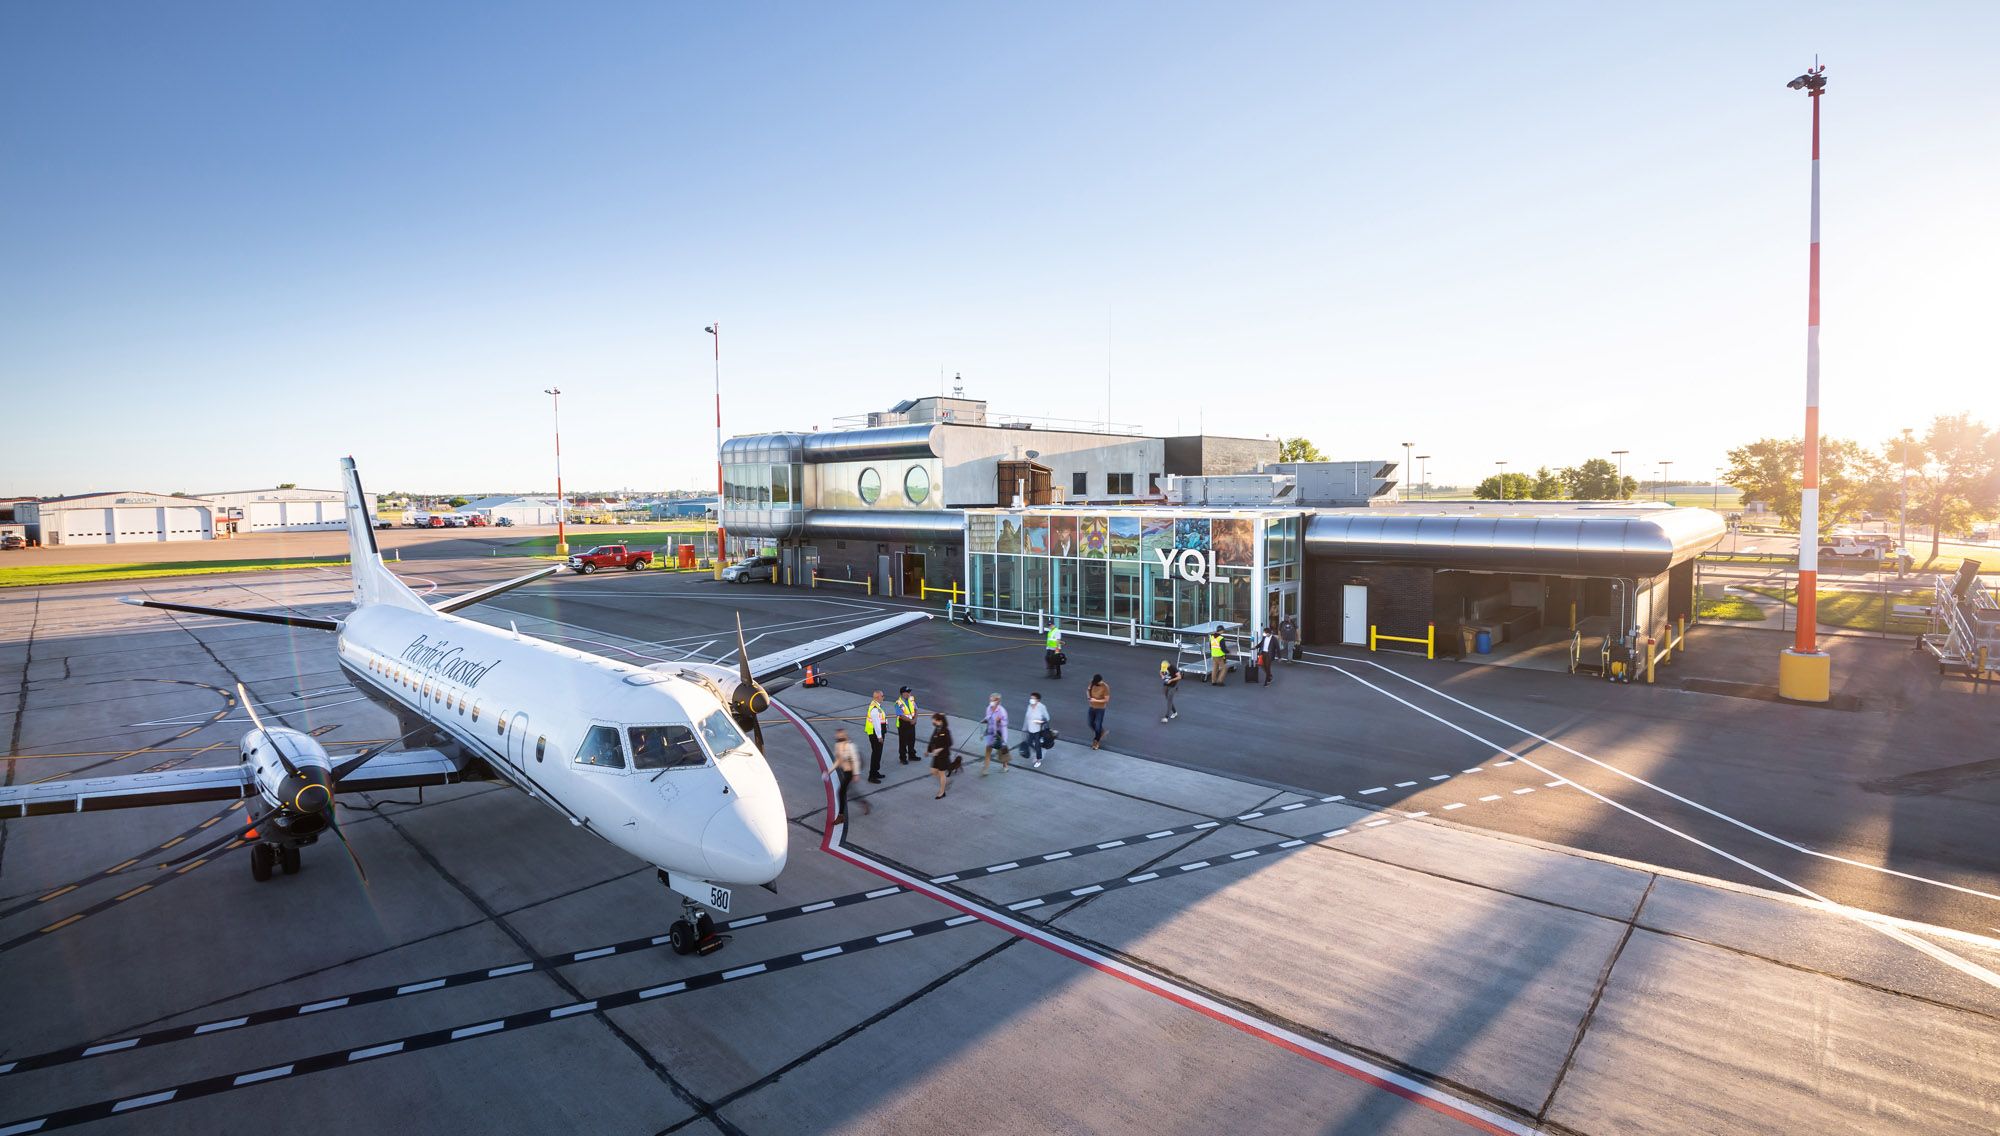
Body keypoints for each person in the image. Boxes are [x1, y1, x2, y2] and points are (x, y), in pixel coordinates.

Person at [827, 728, 869, 824]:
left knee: (841, 792)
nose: (839, 737)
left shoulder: (850, 746)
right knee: (849, 792)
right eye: (838, 736)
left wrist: (856, 774)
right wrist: (830, 770)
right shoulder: (837, 746)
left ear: (845, 736)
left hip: (851, 771)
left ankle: (841, 816)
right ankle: (863, 803)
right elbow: (839, 760)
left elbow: (855, 760)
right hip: (844, 771)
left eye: (841, 735)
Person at [980, 693, 1012, 774]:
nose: (991, 702)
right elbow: (988, 718)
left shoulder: (1002, 711)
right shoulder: (988, 708)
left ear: (997, 701)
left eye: (992, 700)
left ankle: (1005, 766)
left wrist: (999, 721)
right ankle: (985, 769)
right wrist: (985, 720)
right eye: (990, 700)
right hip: (991, 733)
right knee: (988, 750)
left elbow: (1005, 723)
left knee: (1001, 751)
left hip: (1000, 734)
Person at [926, 712, 954, 799]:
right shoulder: (937, 729)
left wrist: (940, 749)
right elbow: (932, 740)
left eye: (934, 720)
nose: (933, 722)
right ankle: (946, 781)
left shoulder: (946, 731)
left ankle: (942, 792)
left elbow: (949, 743)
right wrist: (928, 750)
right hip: (936, 755)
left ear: (940, 721)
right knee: (933, 771)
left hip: (943, 755)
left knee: (941, 773)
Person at [1022, 691, 1052, 767]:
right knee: (1029, 743)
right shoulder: (1029, 706)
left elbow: (1047, 718)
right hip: (1030, 729)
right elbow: (1027, 718)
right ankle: (1037, 752)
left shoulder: (1041, 707)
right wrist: (1024, 728)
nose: (1031, 700)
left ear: (1038, 700)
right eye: (1031, 698)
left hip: (1038, 730)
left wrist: (1040, 722)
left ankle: (1038, 760)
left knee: (1037, 745)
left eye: (1033, 698)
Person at [863, 691, 888, 782]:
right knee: (876, 754)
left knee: (878, 754)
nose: (883, 697)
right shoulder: (874, 709)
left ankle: (875, 772)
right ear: (877, 697)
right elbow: (876, 724)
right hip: (876, 735)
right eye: (882, 696)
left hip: (876, 734)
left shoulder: (876, 706)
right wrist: (879, 736)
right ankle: (872, 776)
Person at [1086, 674, 1111, 749]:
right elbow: (1088, 690)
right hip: (1092, 707)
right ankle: (1101, 732)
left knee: (1098, 725)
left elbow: (1106, 700)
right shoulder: (1092, 683)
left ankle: (1096, 741)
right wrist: (1089, 698)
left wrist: (1095, 700)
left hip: (1100, 708)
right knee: (1090, 723)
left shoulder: (1105, 687)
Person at [895, 686, 918, 764]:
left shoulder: (911, 699)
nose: (909, 693)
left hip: (912, 723)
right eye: (907, 692)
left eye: (909, 692)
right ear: (903, 693)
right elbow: (901, 715)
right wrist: (911, 720)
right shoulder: (898, 703)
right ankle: (903, 758)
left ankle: (912, 755)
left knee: (912, 740)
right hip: (903, 724)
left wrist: (915, 719)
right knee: (903, 742)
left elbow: (916, 709)